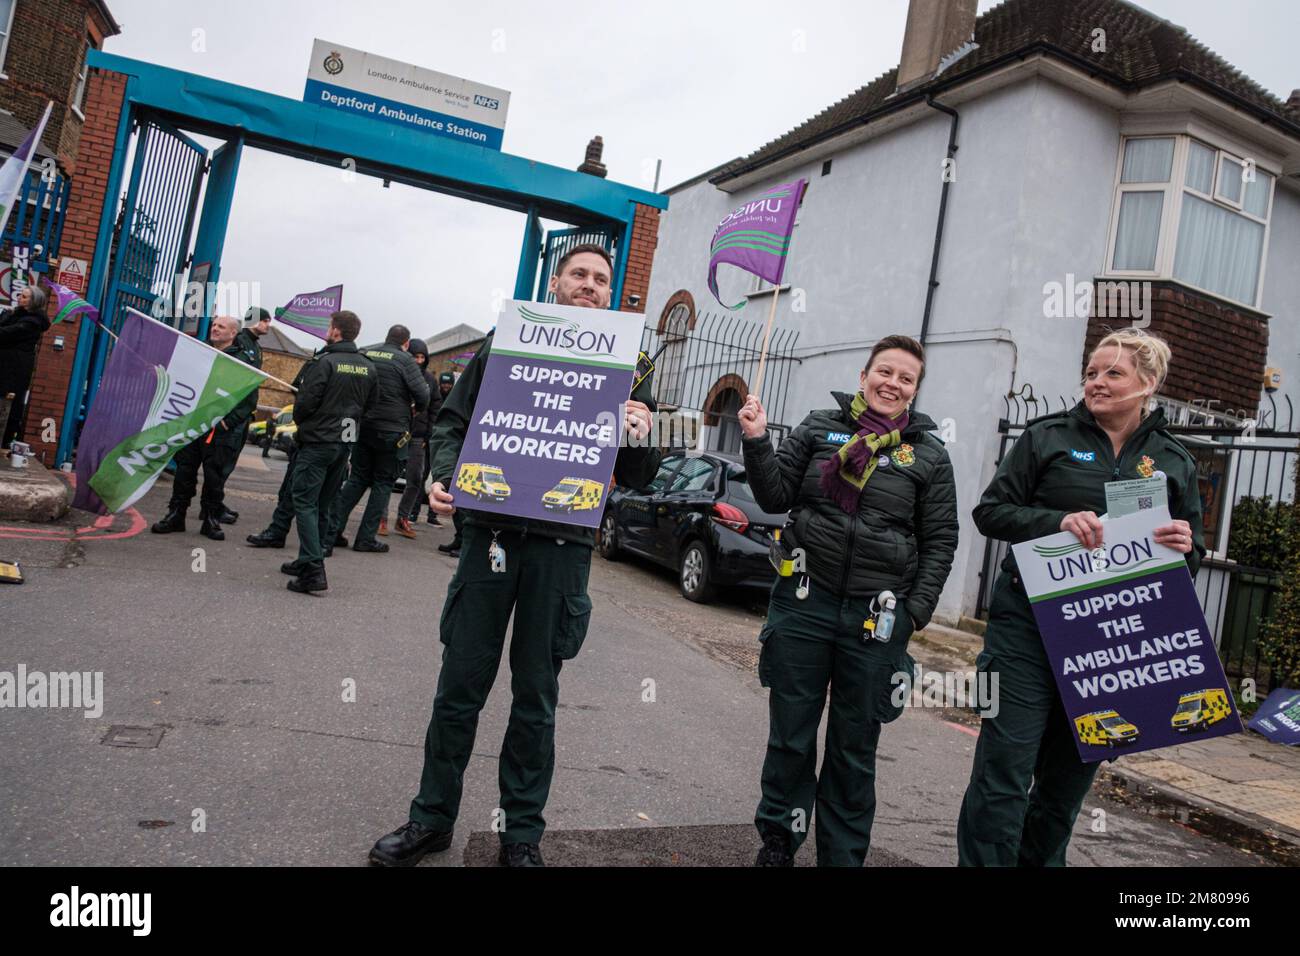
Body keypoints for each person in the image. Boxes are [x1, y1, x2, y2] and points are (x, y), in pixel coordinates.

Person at [368, 243, 660, 868]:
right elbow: (451, 422)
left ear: (610, 293)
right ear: (556, 283)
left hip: (563, 551)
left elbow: (636, 474)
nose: (589, 285)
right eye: (578, 274)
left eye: (600, 280)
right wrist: (441, 476)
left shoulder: (628, 365)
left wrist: (638, 432)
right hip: (490, 537)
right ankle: (430, 820)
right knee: (459, 688)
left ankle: (521, 835)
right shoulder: (508, 343)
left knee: (536, 700)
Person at [956, 328, 1204, 866]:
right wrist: (1056, 521)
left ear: (1149, 383)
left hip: (1110, 642)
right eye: (1092, 371)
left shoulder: (1174, 460)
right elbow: (991, 511)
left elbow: (1190, 555)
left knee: (1064, 789)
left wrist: (1186, 545)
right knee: (1004, 772)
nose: (1097, 381)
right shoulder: (1046, 437)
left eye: (1113, 373)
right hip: (1027, 629)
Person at [736, 334, 959, 867]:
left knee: (853, 749)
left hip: (876, 619)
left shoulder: (927, 453)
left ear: (914, 392)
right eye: (885, 371)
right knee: (791, 734)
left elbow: (941, 540)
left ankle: (842, 856)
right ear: (864, 377)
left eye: (906, 378)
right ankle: (778, 841)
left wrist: (913, 614)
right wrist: (758, 439)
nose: (893, 383)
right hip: (805, 602)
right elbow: (774, 496)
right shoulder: (819, 427)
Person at [283, 310, 377, 594]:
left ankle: (312, 568)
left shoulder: (325, 362)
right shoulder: (367, 366)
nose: (327, 329)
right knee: (323, 503)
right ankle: (309, 557)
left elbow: (304, 404)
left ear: (336, 331)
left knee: (305, 502)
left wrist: (306, 425)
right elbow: (370, 407)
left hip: (318, 443)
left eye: (329, 326)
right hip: (344, 442)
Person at [150, 316, 260, 541]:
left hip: (218, 432)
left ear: (233, 334)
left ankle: (210, 520)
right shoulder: (200, 353)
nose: (215, 329)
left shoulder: (242, 361)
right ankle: (176, 515)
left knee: (214, 477)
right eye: (214, 325)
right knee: (184, 472)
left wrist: (227, 423)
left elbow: (249, 400)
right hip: (193, 426)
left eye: (221, 327)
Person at [324, 324, 429, 552]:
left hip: (362, 425)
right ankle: (365, 539)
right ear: (406, 343)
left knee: (357, 478)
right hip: (392, 430)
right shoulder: (405, 360)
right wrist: (416, 409)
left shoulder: (367, 353)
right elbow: (423, 394)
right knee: (383, 482)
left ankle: (332, 532)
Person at [245, 357, 315, 550]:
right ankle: (324, 541)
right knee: (320, 496)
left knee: (294, 491)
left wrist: (303, 425)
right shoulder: (363, 366)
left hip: (313, 439)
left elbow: (300, 396)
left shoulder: (321, 362)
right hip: (336, 442)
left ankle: (284, 536)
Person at [215, 307, 272, 526]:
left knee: (227, 463)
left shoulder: (256, 347)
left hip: (244, 414)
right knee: (220, 464)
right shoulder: (238, 341)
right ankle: (212, 505)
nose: (268, 325)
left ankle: (216, 503)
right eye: (265, 321)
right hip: (232, 412)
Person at [393, 338, 437, 537]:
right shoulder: (400, 373)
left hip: (418, 437)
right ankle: (381, 518)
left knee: (416, 479)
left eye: (422, 357)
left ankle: (403, 518)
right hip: (398, 432)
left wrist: (430, 433)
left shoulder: (430, 380)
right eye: (415, 356)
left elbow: (436, 409)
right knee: (386, 477)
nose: (419, 361)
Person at [0, 284, 50, 448]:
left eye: (25, 296)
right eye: (21, 295)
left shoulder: (33, 322)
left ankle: (5, 441)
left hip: (15, 368)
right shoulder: (17, 315)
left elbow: (7, 334)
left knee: (10, 403)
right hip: (5, 364)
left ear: (33, 301)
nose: (20, 298)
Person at [408, 369, 454, 527]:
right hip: (429, 440)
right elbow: (428, 416)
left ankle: (432, 515)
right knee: (421, 476)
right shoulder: (435, 396)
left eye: (448, 383)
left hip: (442, 444)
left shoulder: (454, 399)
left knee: (438, 480)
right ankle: (414, 512)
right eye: (444, 383)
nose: (446, 386)